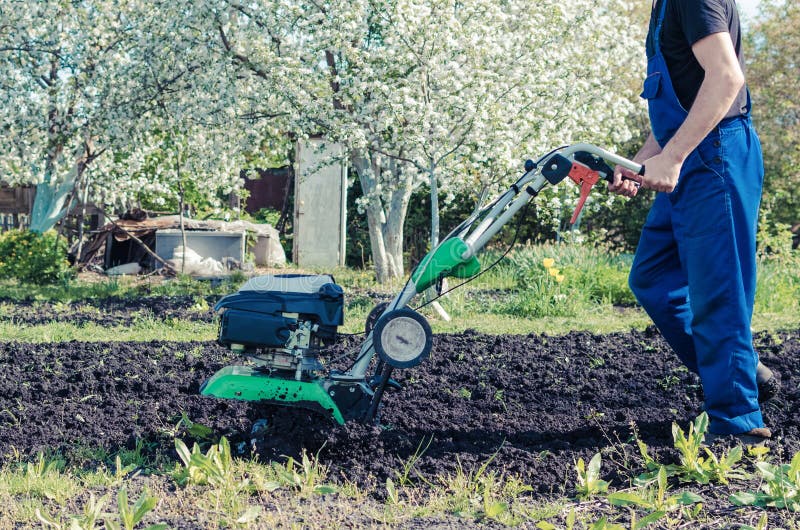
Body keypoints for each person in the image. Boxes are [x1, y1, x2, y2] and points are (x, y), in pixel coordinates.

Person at [609, 0, 779, 444]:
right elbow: (684, 94)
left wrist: (674, 157)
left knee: (718, 293)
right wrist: (645, 159)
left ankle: (737, 425)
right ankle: (741, 372)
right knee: (652, 277)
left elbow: (726, 78)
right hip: (690, 155)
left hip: (714, 156)